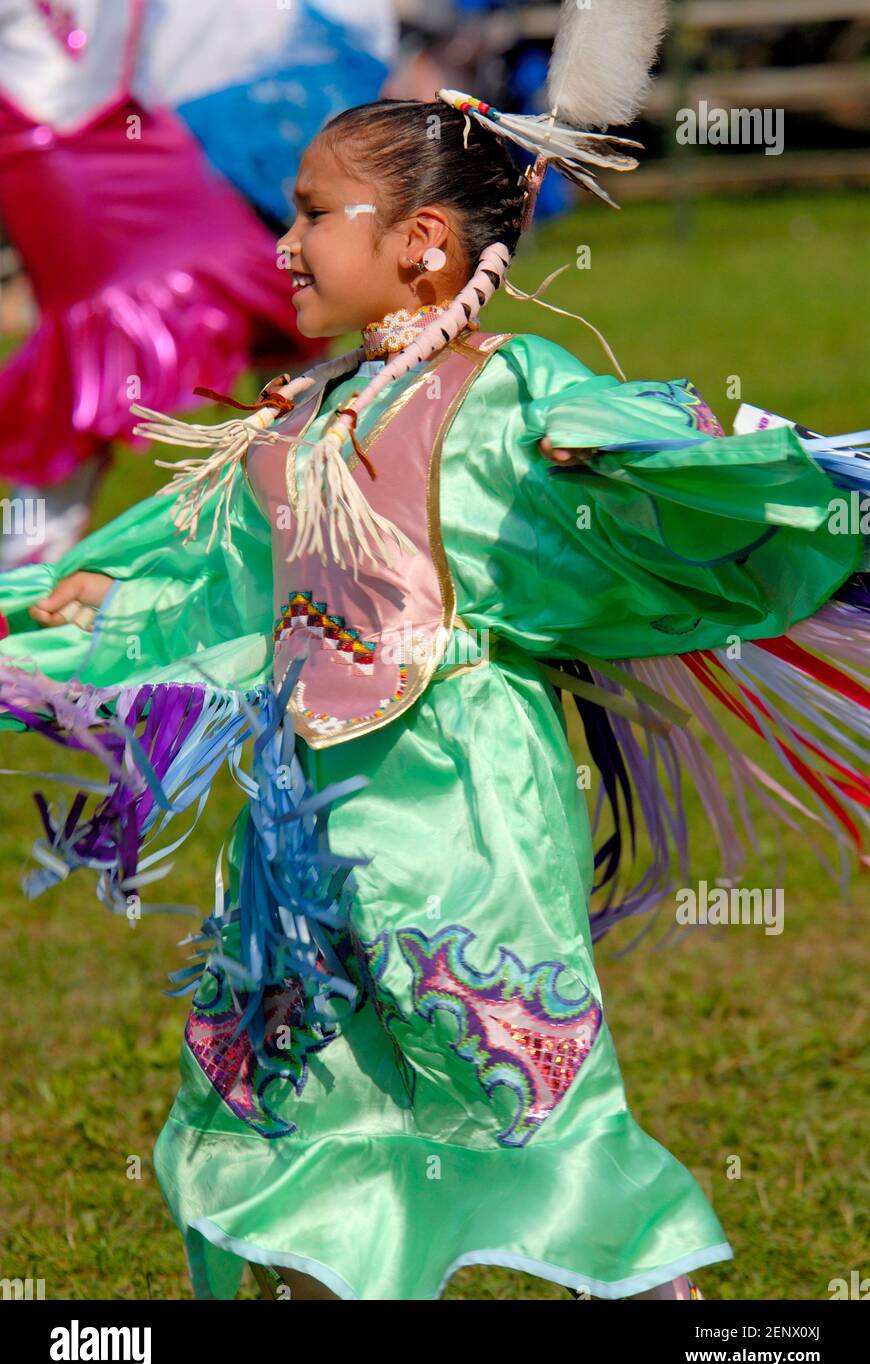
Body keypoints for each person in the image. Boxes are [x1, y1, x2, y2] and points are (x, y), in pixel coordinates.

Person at [0, 85, 867, 1301]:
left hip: (462, 806)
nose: (281, 244)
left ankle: (657, 1294)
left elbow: (663, 468)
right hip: (298, 836)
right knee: (297, 1096)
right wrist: (93, 588)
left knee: (516, 1078)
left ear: (422, 245)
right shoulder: (291, 423)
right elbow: (203, 566)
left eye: (310, 215)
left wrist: (649, 452)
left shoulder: (503, 392)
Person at [0, 0, 396, 570]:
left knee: (274, 301)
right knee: (87, 371)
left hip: (145, 133)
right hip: (51, 149)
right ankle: (24, 575)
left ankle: (310, 521)